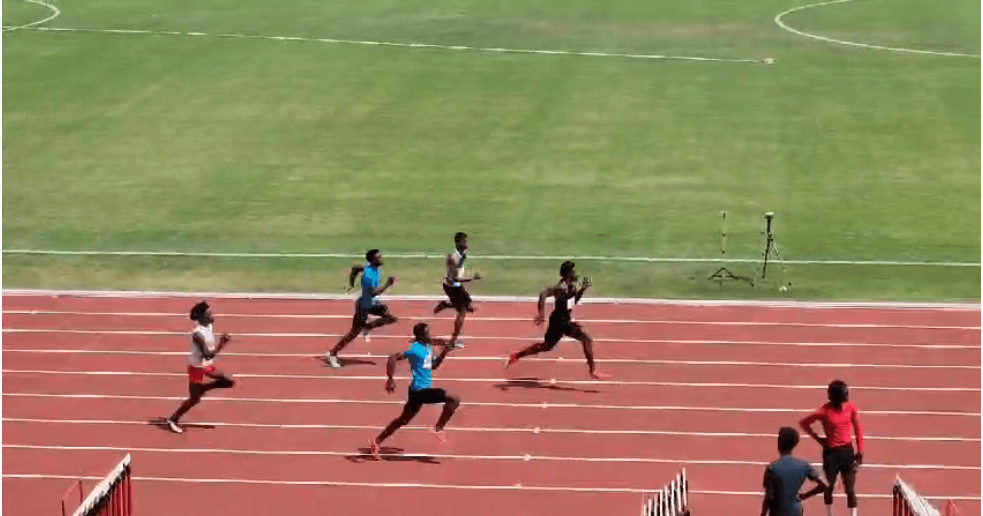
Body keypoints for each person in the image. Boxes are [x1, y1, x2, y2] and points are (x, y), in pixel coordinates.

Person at [369, 322, 461, 459]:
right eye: (426, 333)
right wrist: (390, 378)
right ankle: (438, 428)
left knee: (403, 420)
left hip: (416, 392)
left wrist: (444, 352)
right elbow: (393, 357)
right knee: (453, 399)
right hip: (420, 390)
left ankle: (377, 442)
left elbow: (433, 366)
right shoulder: (415, 349)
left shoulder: (428, 348)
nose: (429, 335)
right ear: (419, 335)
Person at [506, 261, 608, 379]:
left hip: (558, 321)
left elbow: (573, 301)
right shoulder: (561, 288)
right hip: (561, 321)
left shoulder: (571, 287)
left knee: (546, 346)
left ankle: (516, 355)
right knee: (586, 340)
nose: (575, 273)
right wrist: (541, 314)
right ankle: (593, 371)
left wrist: (582, 290)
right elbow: (543, 294)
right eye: (572, 271)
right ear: (567, 274)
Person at [165, 301, 235, 434]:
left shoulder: (208, 325)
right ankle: (173, 419)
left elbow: (209, 319)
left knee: (227, 382)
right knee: (194, 399)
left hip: (206, 366)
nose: (212, 315)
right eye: (209, 313)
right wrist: (222, 344)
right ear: (202, 317)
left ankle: (202, 388)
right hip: (196, 368)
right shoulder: (197, 334)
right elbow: (207, 356)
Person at [799, 380, 865, 516]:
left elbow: (858, 429)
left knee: (850, 490)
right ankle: (829, 513)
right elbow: (804, 423)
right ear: (837, 396)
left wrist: (860, 451)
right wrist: (818, 439)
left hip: (847, 451)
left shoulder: (851, 408)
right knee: (828, 487)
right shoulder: (823, 411)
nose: (847, 396)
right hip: (831, 454)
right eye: (845, 393)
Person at [326, 249, 398, 368]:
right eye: (378, 258)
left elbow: (356, 268)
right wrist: (387, 284)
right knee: (354, 333)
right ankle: (333, 354)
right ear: (373, 260)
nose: (381, 259)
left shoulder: (371, 268)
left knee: (389, 316)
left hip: (372, 304)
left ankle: (367, 327)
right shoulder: (368, 276)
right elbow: (373, 292)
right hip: (364, 305)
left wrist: (351, 283)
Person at [761, 427, 829, 516]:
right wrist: (805, 496)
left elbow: (769, 497)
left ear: (779, 443)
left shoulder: (772, 468)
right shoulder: (804, 465)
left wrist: (763, 513)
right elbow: (825, 485)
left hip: (777, 512)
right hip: (795, 510)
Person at [433, 232, 480, 349]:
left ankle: (446, 304)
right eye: (464, 242)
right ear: (458, 243)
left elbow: (459, 265)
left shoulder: (460, 254)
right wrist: (472, 279)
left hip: (455, 286)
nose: (467, 244)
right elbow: (455, 278)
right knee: (462, 312)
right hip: (453, 287)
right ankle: (453, 341)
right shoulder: (454, 257)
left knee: (468, 305)